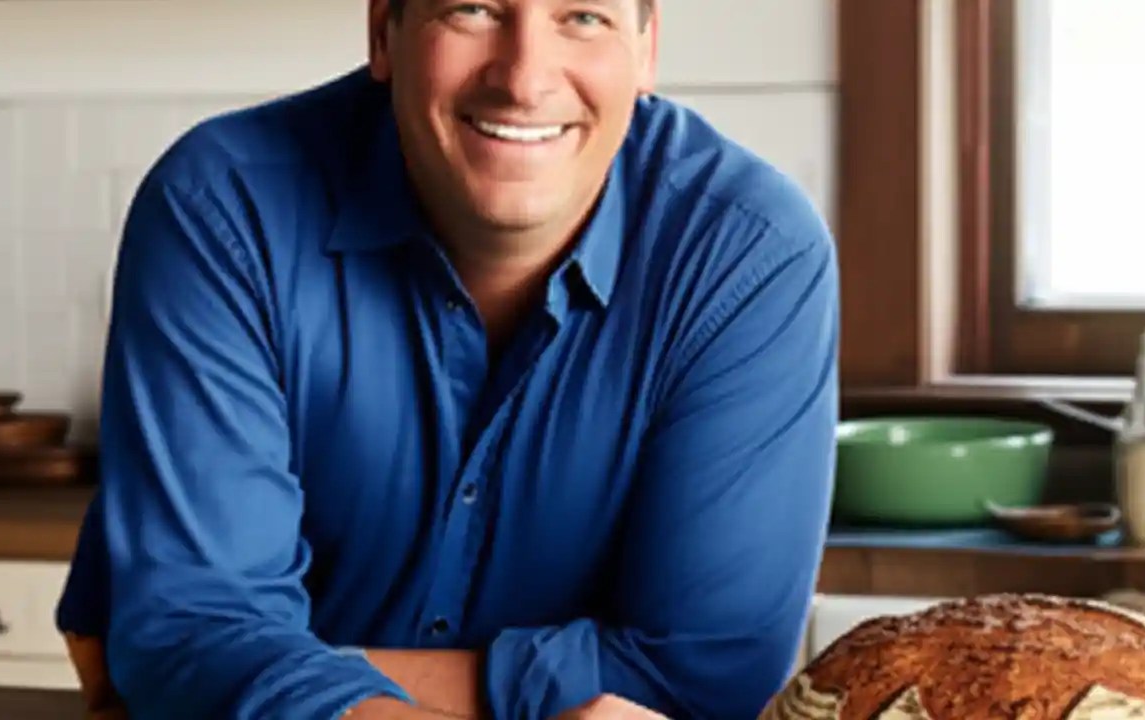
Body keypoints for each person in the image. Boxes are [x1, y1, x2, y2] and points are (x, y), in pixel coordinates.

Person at [54, 0, 841, 718]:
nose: (524, 80)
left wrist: (288, 677)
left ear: (647, 48)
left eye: (584, 18)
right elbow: (197, 632)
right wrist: (212, 664)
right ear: (382, 32)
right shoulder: (225, 206)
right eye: (472, 10)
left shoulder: (749, 253)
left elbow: (708, 675)